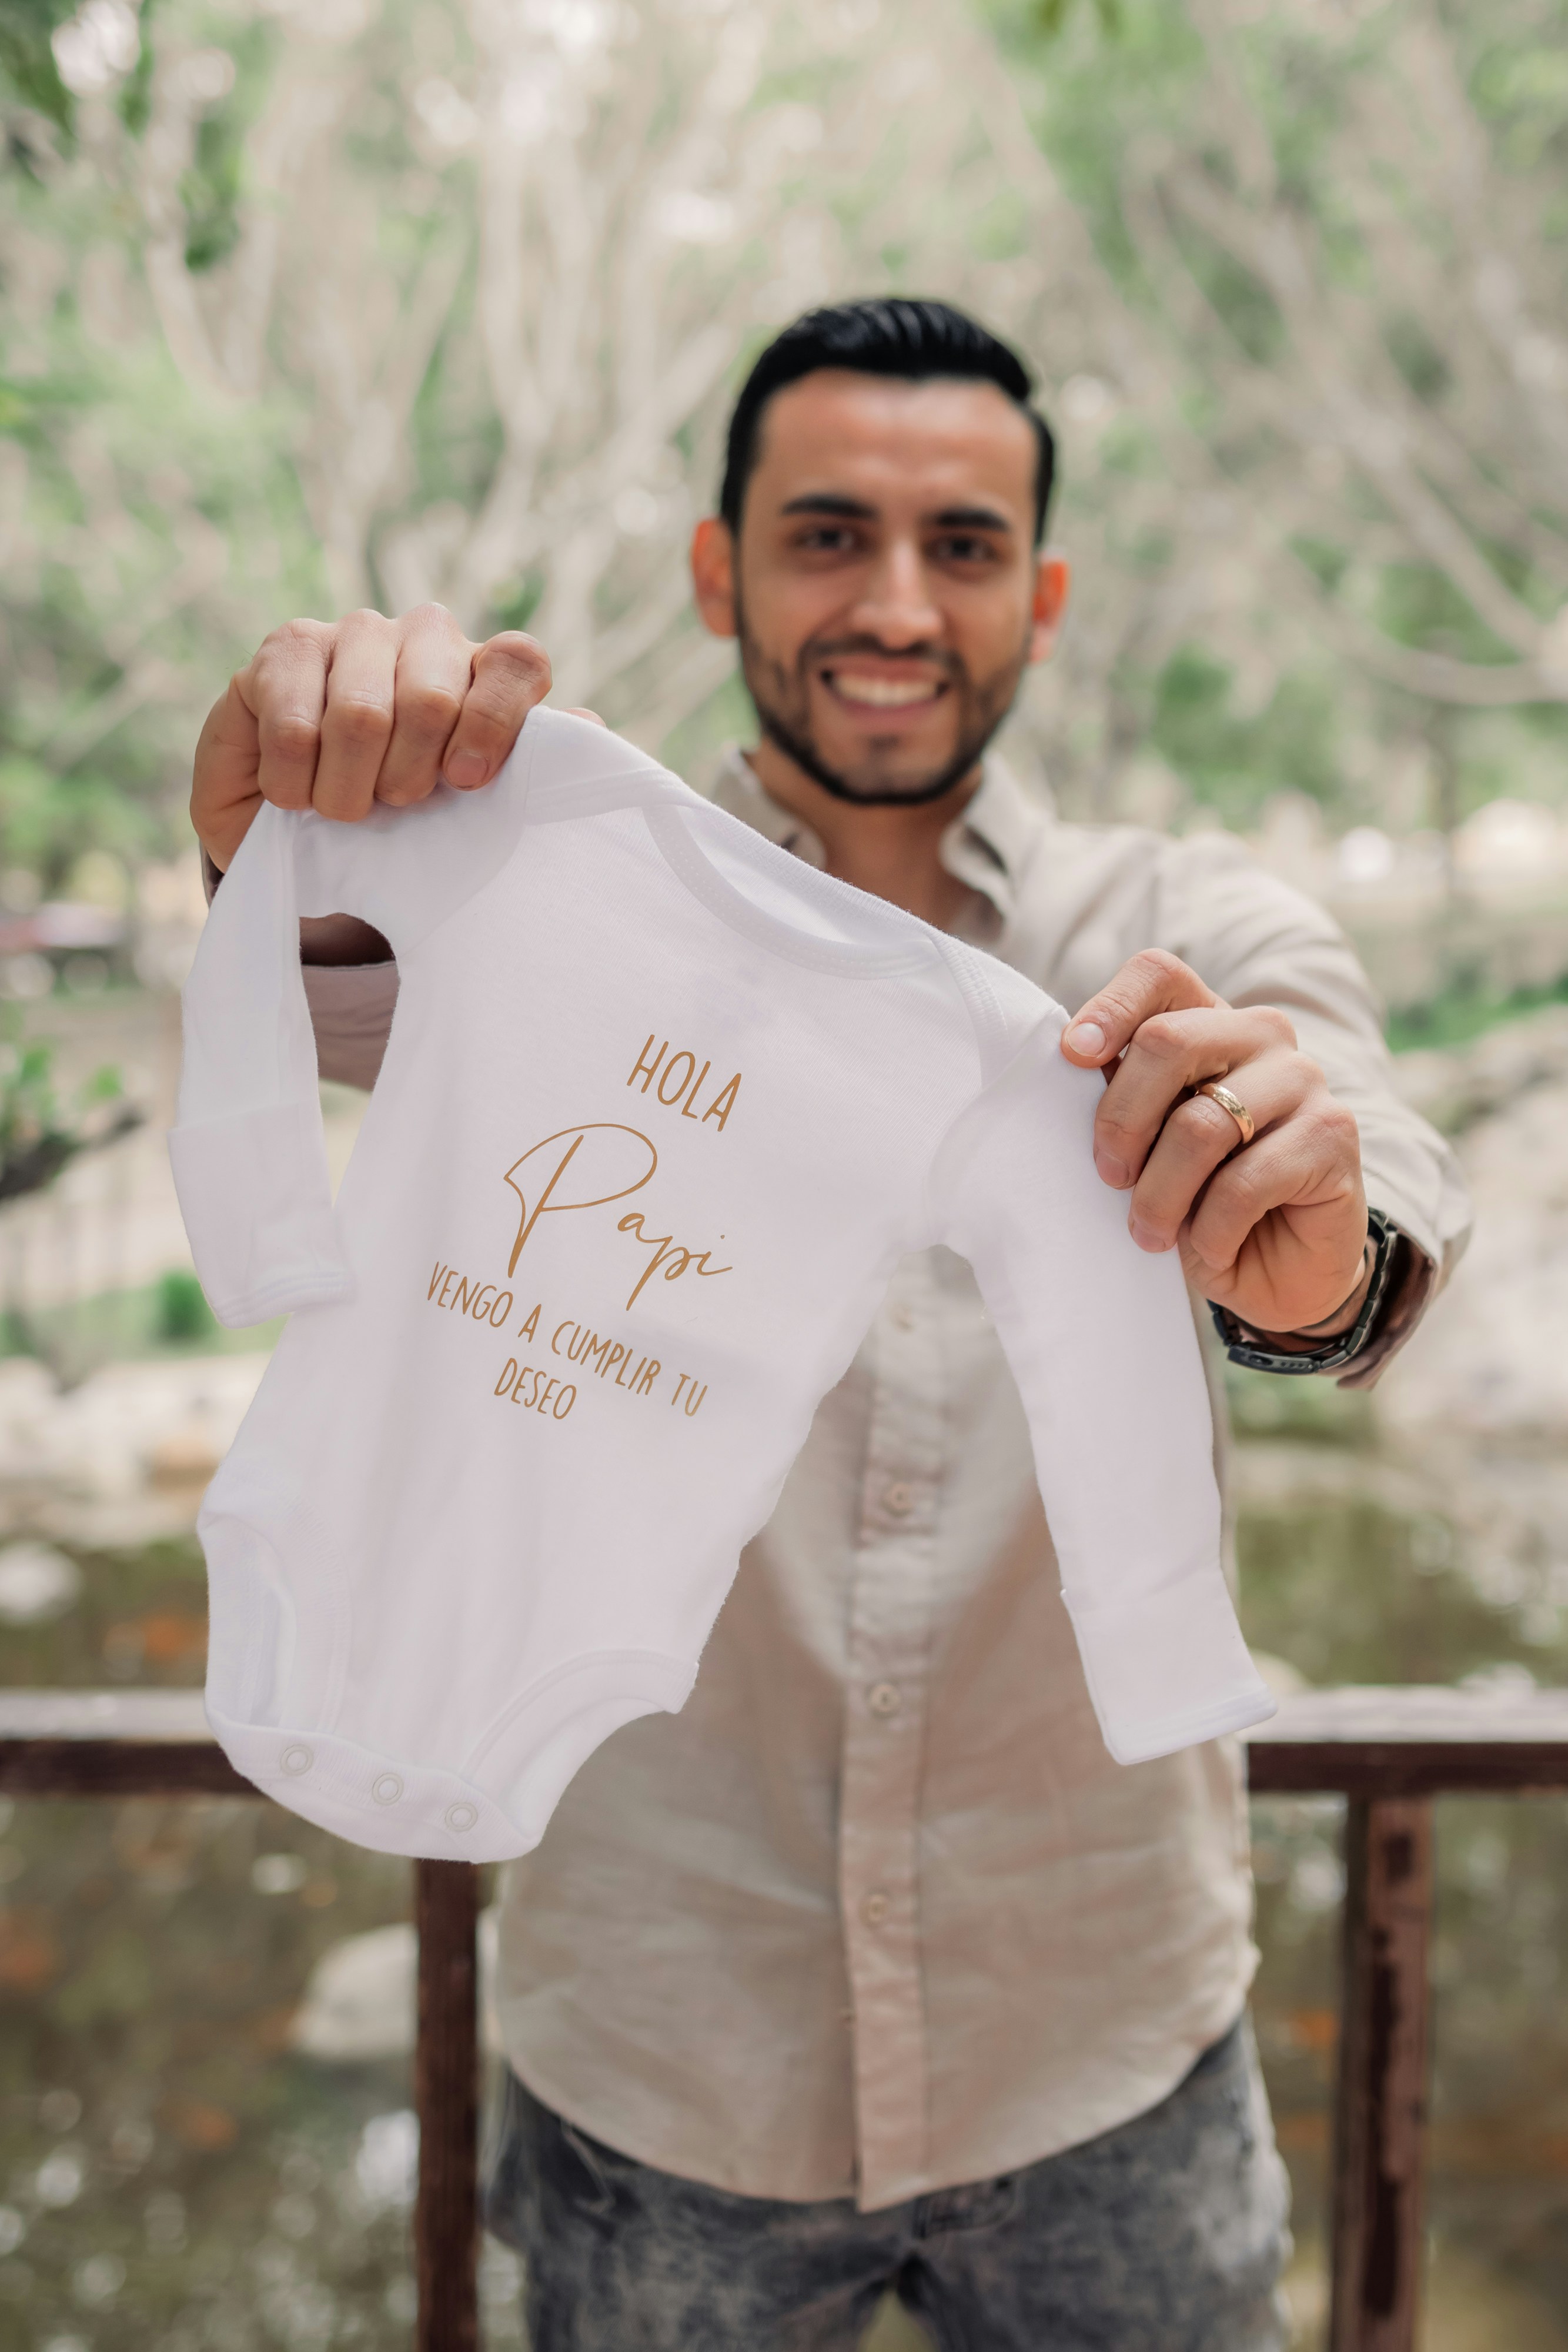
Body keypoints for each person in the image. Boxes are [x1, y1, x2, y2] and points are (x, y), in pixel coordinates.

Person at [190, 299, 1469, 2351]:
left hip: (1107, 2038)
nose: (894, 602)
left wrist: (1311, 1260)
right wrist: (290, 824)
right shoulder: (535, 901)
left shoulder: (1181, 937)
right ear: (718, 569)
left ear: (1038, 594)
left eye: (960, 545)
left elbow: (1365, 1205)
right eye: (825, 535)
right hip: (659, 2053)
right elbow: (314, 970)